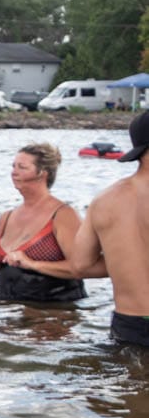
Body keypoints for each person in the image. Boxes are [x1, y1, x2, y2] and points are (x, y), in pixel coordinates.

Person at [0, 143, 86, 303]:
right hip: (9, 309)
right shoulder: (6, 217)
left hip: (54, 310)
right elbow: (3, 270)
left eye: (22, 167)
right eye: (13, 166)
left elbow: (81, 268)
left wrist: (33, 264)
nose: (13, 172)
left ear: (42, 173)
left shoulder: (63, 214)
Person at [70, 111, 149, 345]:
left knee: (131, 381)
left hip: (129, 322)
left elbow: (80, 266)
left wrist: (124, 262)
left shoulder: (103, 200)